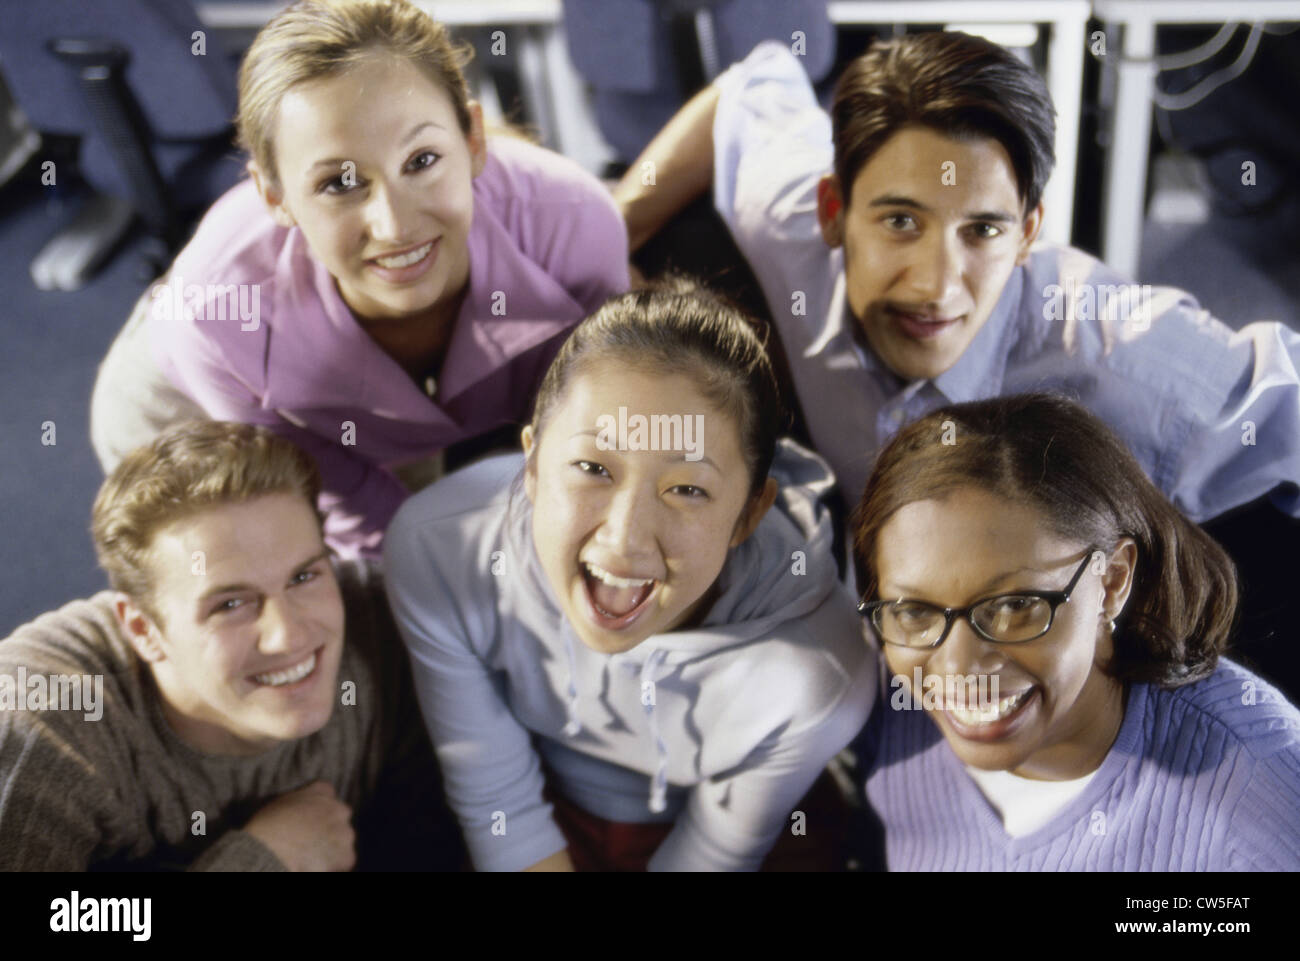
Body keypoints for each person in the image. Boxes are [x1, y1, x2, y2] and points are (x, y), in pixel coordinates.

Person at [614, 30, 1300, 518]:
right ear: (832, 211)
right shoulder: (787, 213)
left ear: (1029, 232)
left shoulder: (1115, 353)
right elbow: (749, 87)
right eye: (901, 223)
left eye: (983, 230)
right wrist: (610, 231)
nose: (936, 287)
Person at [90, 0, 629, 559]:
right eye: (338, 184)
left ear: (472, 141)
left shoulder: (573, 225)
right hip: (194, 401)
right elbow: (346, 508)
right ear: (274, 196)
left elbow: (584, 432)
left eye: (421, 161)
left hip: (378, 414)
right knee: (239, 573)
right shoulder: (214, 314)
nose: (394, 226)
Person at [383, 283, 876, 871]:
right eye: (593, 468)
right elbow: (497, 802)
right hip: (543, 803)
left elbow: (713, 854)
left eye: (687, 489)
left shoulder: (819, 673)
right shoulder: (441, 549)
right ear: (533, 466)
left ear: (748, 513)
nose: (624, 539)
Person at [850, 393, 1300, 871]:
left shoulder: (1261, 783)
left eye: (1015, 606)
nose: (958, 666)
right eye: (915, 612)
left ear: (1111, 582)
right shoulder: (881, 718)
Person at [0, 421, 461, 871]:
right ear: (142, 629)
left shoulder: (389, 627)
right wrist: (260, 862)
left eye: (303, 576)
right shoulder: (40, 721)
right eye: (231, 604)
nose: (289, 635)